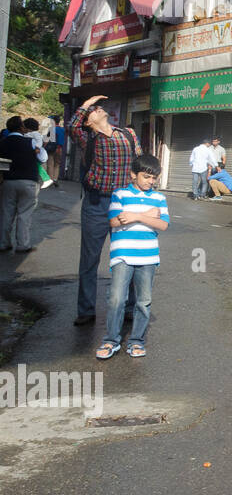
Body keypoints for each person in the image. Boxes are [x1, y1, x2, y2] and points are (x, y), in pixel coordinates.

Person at [69, 95, 142, 327]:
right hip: (95, 204)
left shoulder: (128, 134)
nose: (98, 108)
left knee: (126, 256)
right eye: (93, 109)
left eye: (98, 107)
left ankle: (129, 307)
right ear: (88, 121)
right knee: (90, 259)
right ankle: (86, 310)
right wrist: (87, 103)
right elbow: (72, 125)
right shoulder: (86, 137)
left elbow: (141, 166)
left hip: (123, 205)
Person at [94, 154, 169, 360]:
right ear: (133, 175)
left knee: (143, 302)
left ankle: (137, 341)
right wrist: (148, 216)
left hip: (148, 257)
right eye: (146, 177)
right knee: (117, 299)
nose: (150, 182)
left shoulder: (159, 198)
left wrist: (135, 216)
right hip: (123, 255)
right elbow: (114, 222)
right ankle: (111, 340)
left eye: (154, 178)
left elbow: (163, 224)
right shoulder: (120, 194)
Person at [0, 116, 45, 252]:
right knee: (24, 214)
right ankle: (22, 245)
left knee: (6, 213)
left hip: (8, 181)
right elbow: (42, 157)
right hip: (28, 180)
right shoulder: (30, 142)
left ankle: (3, 243)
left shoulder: (3, 142)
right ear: (21, 128)